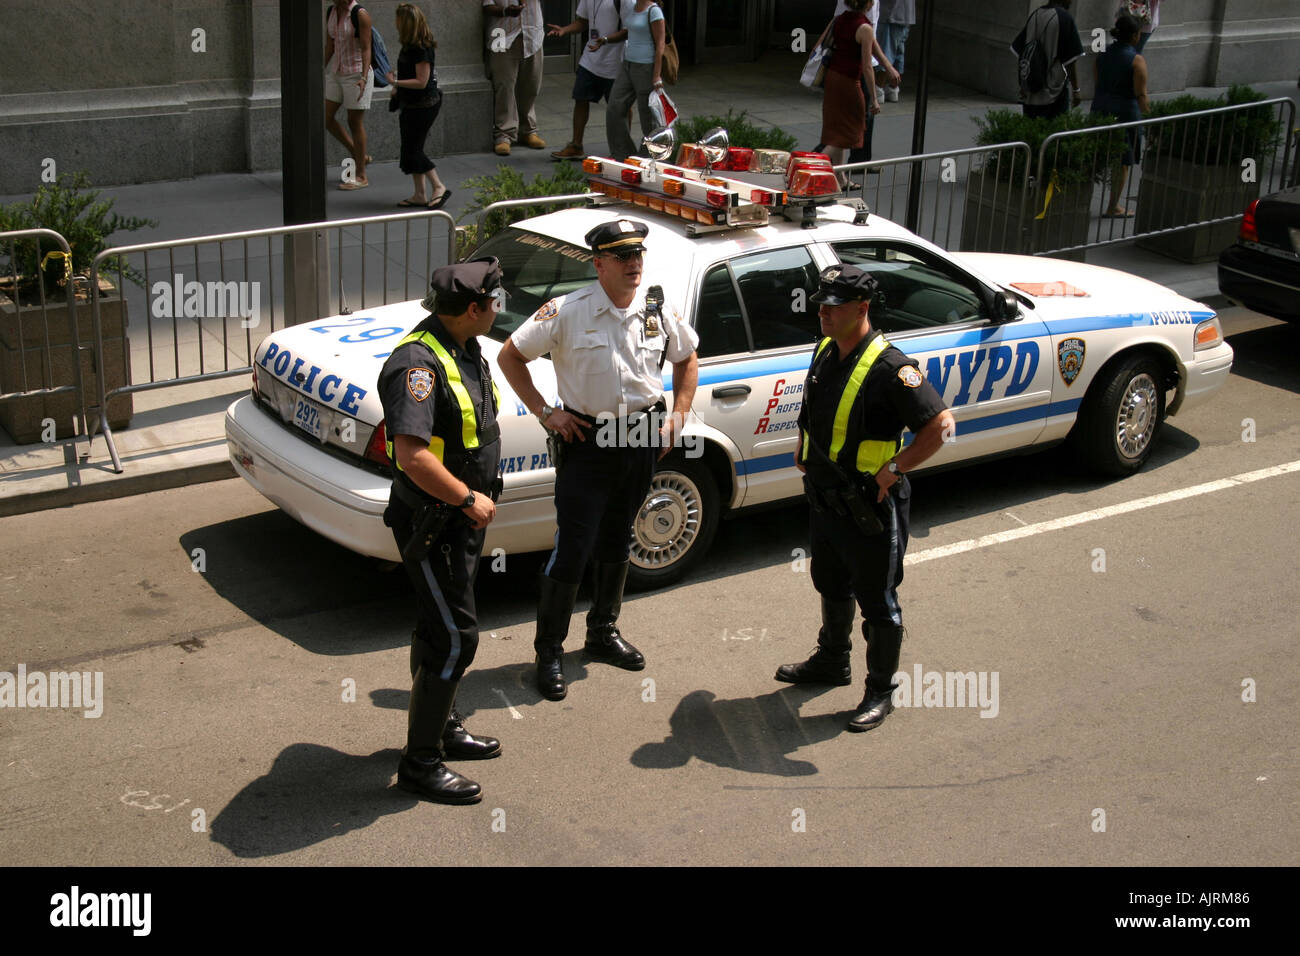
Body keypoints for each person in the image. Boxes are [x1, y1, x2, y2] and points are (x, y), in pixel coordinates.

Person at [496, 220, 700, 701]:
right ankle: (549, 651)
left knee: (618, 539)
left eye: (638, 255)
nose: (634, 264)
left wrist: (679, 414)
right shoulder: (567, 311)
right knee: (574, 548)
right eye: (622, 257)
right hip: (587, 443)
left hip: (641, 437)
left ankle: (602, 632)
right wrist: (548, 414)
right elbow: (510, 356)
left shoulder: (657, 305)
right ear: (599, 263)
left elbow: (686, 358)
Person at [776, 264, 954, 733]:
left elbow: (940, 427)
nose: (823, 313)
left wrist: (894, 470)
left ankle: (881, 691)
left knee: (878, 600)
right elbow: (815, 405)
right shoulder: (826, 348)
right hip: (825, 499)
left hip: (870, 506)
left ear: (862, 309)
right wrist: (802, 439)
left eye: (833, 307)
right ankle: (833, 660)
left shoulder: (894, 369)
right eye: (821, 304)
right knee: (830, 582)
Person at [378, 258, 507, 804]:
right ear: (473, 308)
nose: (499, 308)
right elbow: (411, 455)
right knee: (456, 636)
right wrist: (467, 497)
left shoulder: (464, 345)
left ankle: (443, 729)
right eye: (494, 300)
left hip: (457, 522)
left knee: (437, 628)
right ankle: (421, 763)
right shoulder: (418, 366)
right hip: (435, 523)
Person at [813, 0, 897, 174]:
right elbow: (867, 66)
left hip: (833, 78)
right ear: (868, 4)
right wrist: (874, 98)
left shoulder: (840, 19)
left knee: (838, 129)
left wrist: (888, 66)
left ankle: (841, 177)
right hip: (850, 81)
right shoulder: (864, 27)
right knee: (850, 134)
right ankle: (813, 169)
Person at [386, 3, 451, 210]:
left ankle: (438, 186)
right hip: (414, 104)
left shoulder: (421, 49)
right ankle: (420, 194)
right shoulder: (410, 45)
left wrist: (396, 83)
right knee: (412, 148)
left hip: (423, 106)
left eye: (398, 20)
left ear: (406, 23)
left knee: (413, 150)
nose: (395, 24)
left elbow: (421, 82)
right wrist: (399, 83)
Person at [547, 0, 627, 160]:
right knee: (580, 98)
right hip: (590, 58)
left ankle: (622, 150)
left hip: (615, 61)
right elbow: (582, 22)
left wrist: (605, 40)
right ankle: (576, 146)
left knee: (619, 108)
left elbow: (628, 31)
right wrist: (564, 30)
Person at [1092, 13, 1149, 217]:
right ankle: (1113, 206)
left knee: (1097, 157)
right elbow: (1140, 94)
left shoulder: (1103, 55)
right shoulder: (1137, 60)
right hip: (1125, 114)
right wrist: (1150, 117)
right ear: (1134, 36)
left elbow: (1098, 83)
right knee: (1122, 162)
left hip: (1100, 110)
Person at [603, 1, 667, 162]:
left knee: (647, 116)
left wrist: (657, 75)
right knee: (614, 107)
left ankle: (651, 157)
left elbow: (660, 43)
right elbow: (627, 32)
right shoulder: (633, 7)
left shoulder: (654, 11)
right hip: (628, 65)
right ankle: (623, 154)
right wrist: (605, 40)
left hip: (646, 67)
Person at [483, 0, 546, 156]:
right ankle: (504, 134)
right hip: (503, 36)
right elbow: (487, 6)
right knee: (504, 86)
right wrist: (505, 11)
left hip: (532, 35)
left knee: (531, 84)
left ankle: (528, 130)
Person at [325, 0, 374, 190]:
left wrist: (363, 77)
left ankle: (361, 175)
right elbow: (330, 45)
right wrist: (319, 68)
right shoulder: (331, 12)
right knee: (325, 117)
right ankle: (358, 153)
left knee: (354, 121)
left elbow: (366, 47)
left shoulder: (360, 14)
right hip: (336, 71)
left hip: (356, 73)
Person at [1012, 0, 1085, 120]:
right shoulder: (1064, 18)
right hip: (1053, 91)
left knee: (1031, 131)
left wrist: (1023, 83)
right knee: (1053, 131)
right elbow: (1071, 61)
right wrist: (1076, 90)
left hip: (1031, 89)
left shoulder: (1035, 15)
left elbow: (1022, 52)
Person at [875, 0, 915, 102]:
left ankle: (878, 88)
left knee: (886, 52)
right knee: (898, 52)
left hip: (890, 11)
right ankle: (893, 88)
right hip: (905, 13)